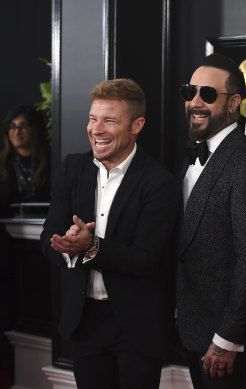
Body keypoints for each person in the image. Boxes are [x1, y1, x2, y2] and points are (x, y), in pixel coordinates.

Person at [40, 79, 180, 389]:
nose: (96, 129)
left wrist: (89, 246)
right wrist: (65, 247)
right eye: (93, 118)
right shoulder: (71, 169)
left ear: (137, 125)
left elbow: (144, 259)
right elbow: (48, 236)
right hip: (83, 321)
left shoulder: (160, 183)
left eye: (109, 120)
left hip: (136, 326)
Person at [175, 53, 246, 389]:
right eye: (190, 92)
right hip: (195, 330)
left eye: (207, 94)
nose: (195, 102)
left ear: (234, 103)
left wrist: (227, 338)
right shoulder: (193, 159)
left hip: (228, 341)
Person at [0, 104, 50, 215]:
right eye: (12, 126)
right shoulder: (2, 162)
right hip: (7, 227)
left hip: (42, 225)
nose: (17, 132)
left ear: (34, 129)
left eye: (23, 126)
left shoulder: (49, 161)